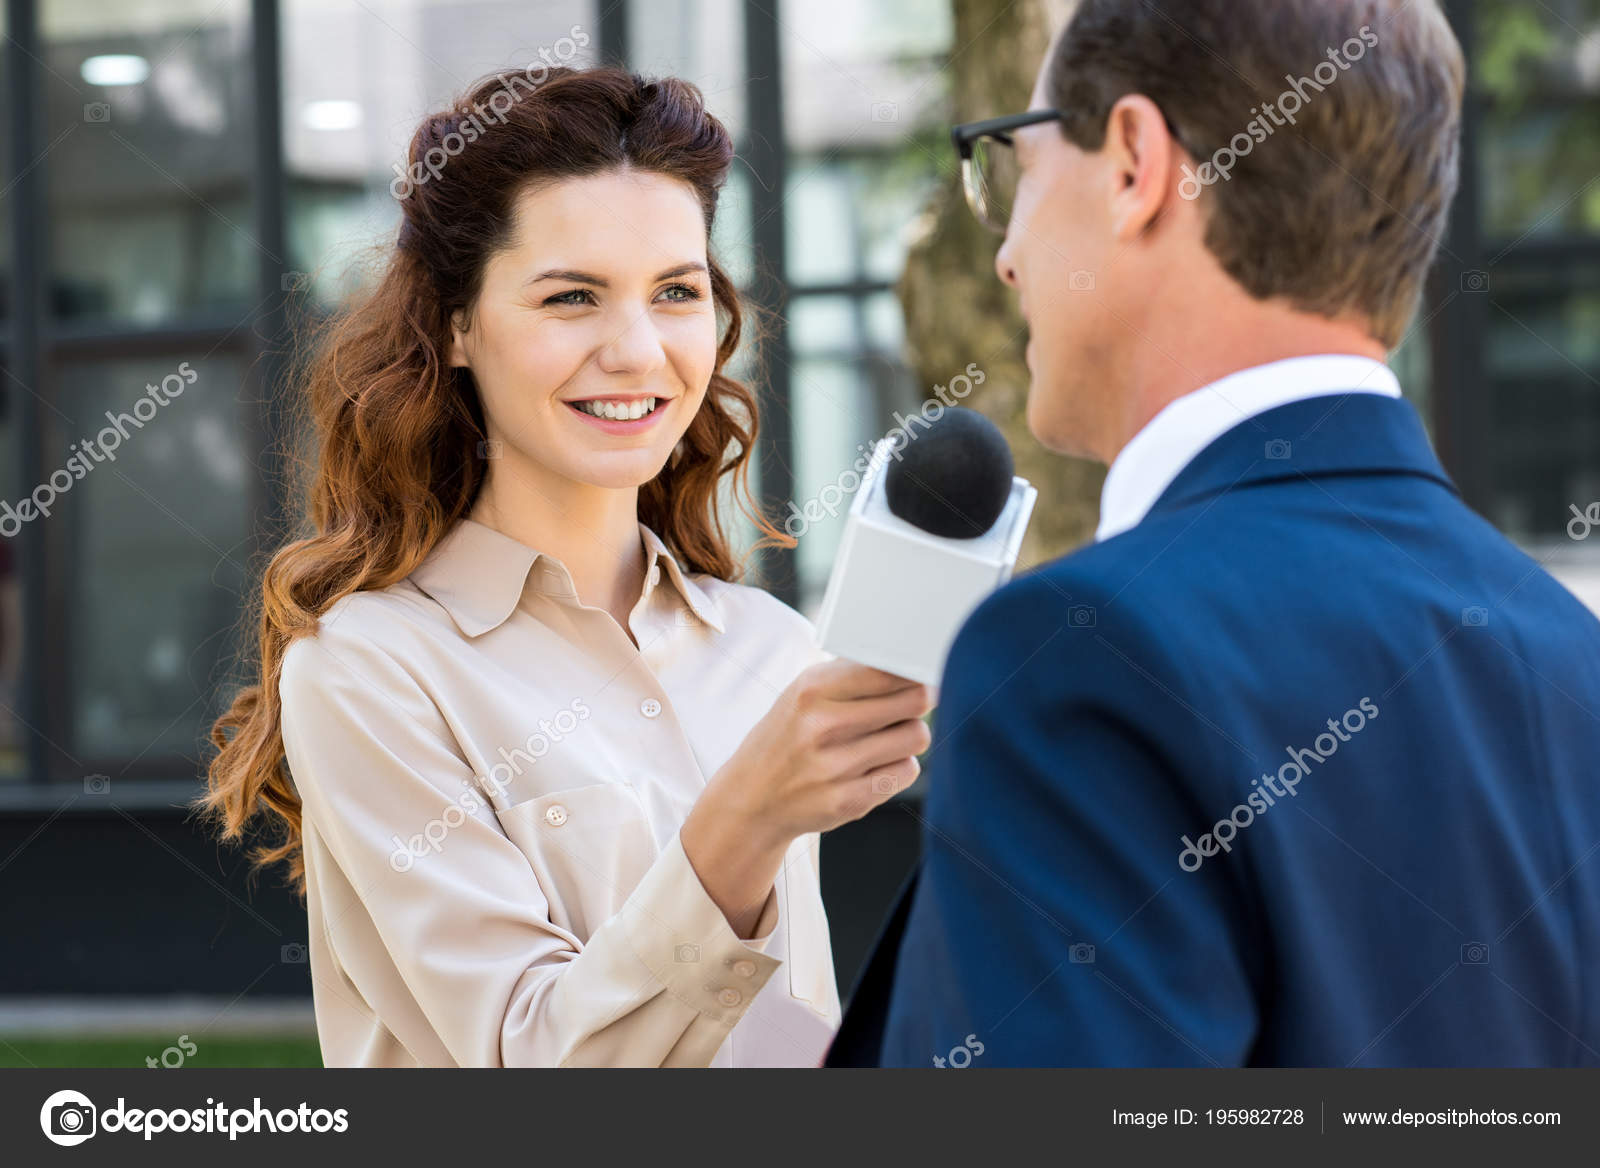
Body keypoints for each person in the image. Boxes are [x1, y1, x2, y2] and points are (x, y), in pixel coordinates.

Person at [826, 0, 1600, 1067]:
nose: (1004, 255)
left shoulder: (1079, 656)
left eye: (1012, 160)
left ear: (1135, 162)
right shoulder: (1570, 655)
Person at [199, 65, 931, 1067]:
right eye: (571, 297)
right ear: (456, 326)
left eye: (675, 292)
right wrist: (744, 818)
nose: (636, 350)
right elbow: (527, 1059)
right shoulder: (371, 667)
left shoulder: (773, 648)